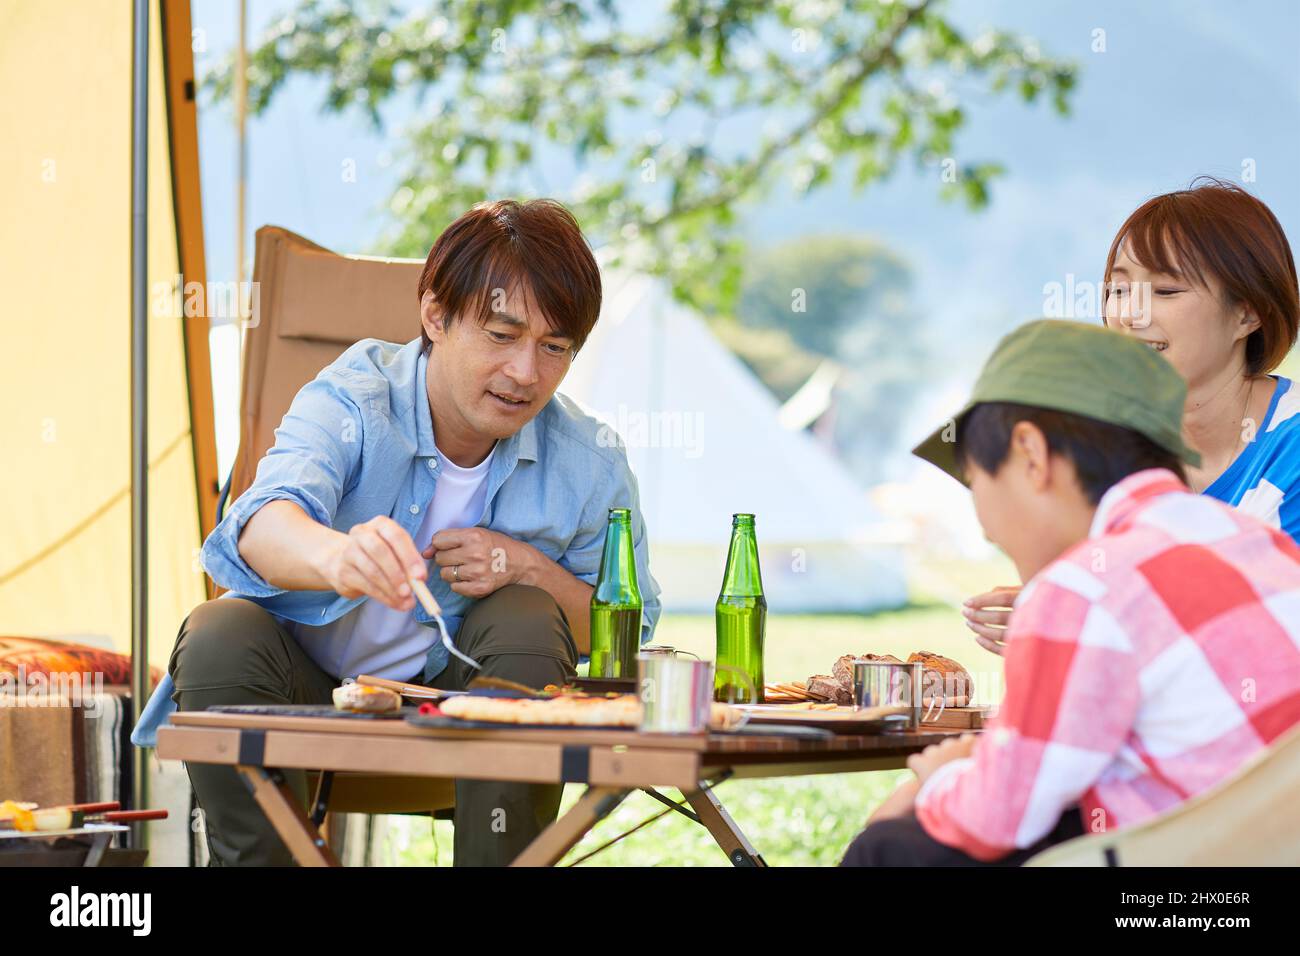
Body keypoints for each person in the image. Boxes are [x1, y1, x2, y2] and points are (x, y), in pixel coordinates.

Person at [145, 198, 661, 866]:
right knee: (217, 633)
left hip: (465, 704)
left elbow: (626, 624)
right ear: (435, 316)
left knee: (529, 614)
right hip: (305, 689)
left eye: (554, 348)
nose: (526, 374)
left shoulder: (587, 459)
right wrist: (339, 555)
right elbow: (256, 528)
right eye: (501, 336)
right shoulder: (354, 399)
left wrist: (527, 567)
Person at [842, 320, 1300, 866]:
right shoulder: (1257, 541)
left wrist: (938, 779)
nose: (986, 524)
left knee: (890, 848)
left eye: (976, 479)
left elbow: (996, 817)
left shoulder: (1082, 585)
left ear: (1031, 455)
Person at [966, 179, 1300, 655]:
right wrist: (1057, 612)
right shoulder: (1102, 450)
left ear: (1248, 313)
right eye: (1119, 290)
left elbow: (1275, 636)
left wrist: (1086, 620)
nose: (1129, 314)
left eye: (1165, 289)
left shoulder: (1290, 448)